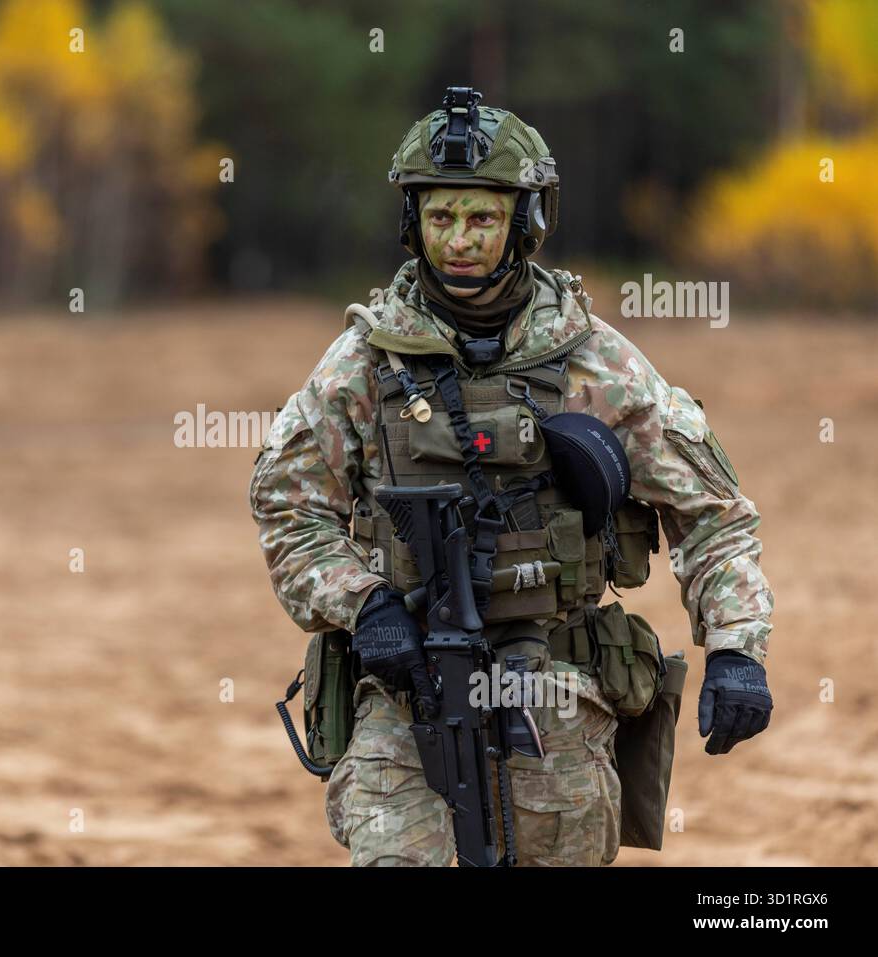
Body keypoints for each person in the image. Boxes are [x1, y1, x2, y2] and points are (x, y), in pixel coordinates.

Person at [248, 88, 774, 867]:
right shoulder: (364, 362)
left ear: (527, 221)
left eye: (483, 218)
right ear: (411, 223)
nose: (458, 240)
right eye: (440, 217)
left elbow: (711, 509)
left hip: (556, 681)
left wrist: (736, 648)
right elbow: (288, 509)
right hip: (408, 680)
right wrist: (365, 608)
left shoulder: (595, 360)